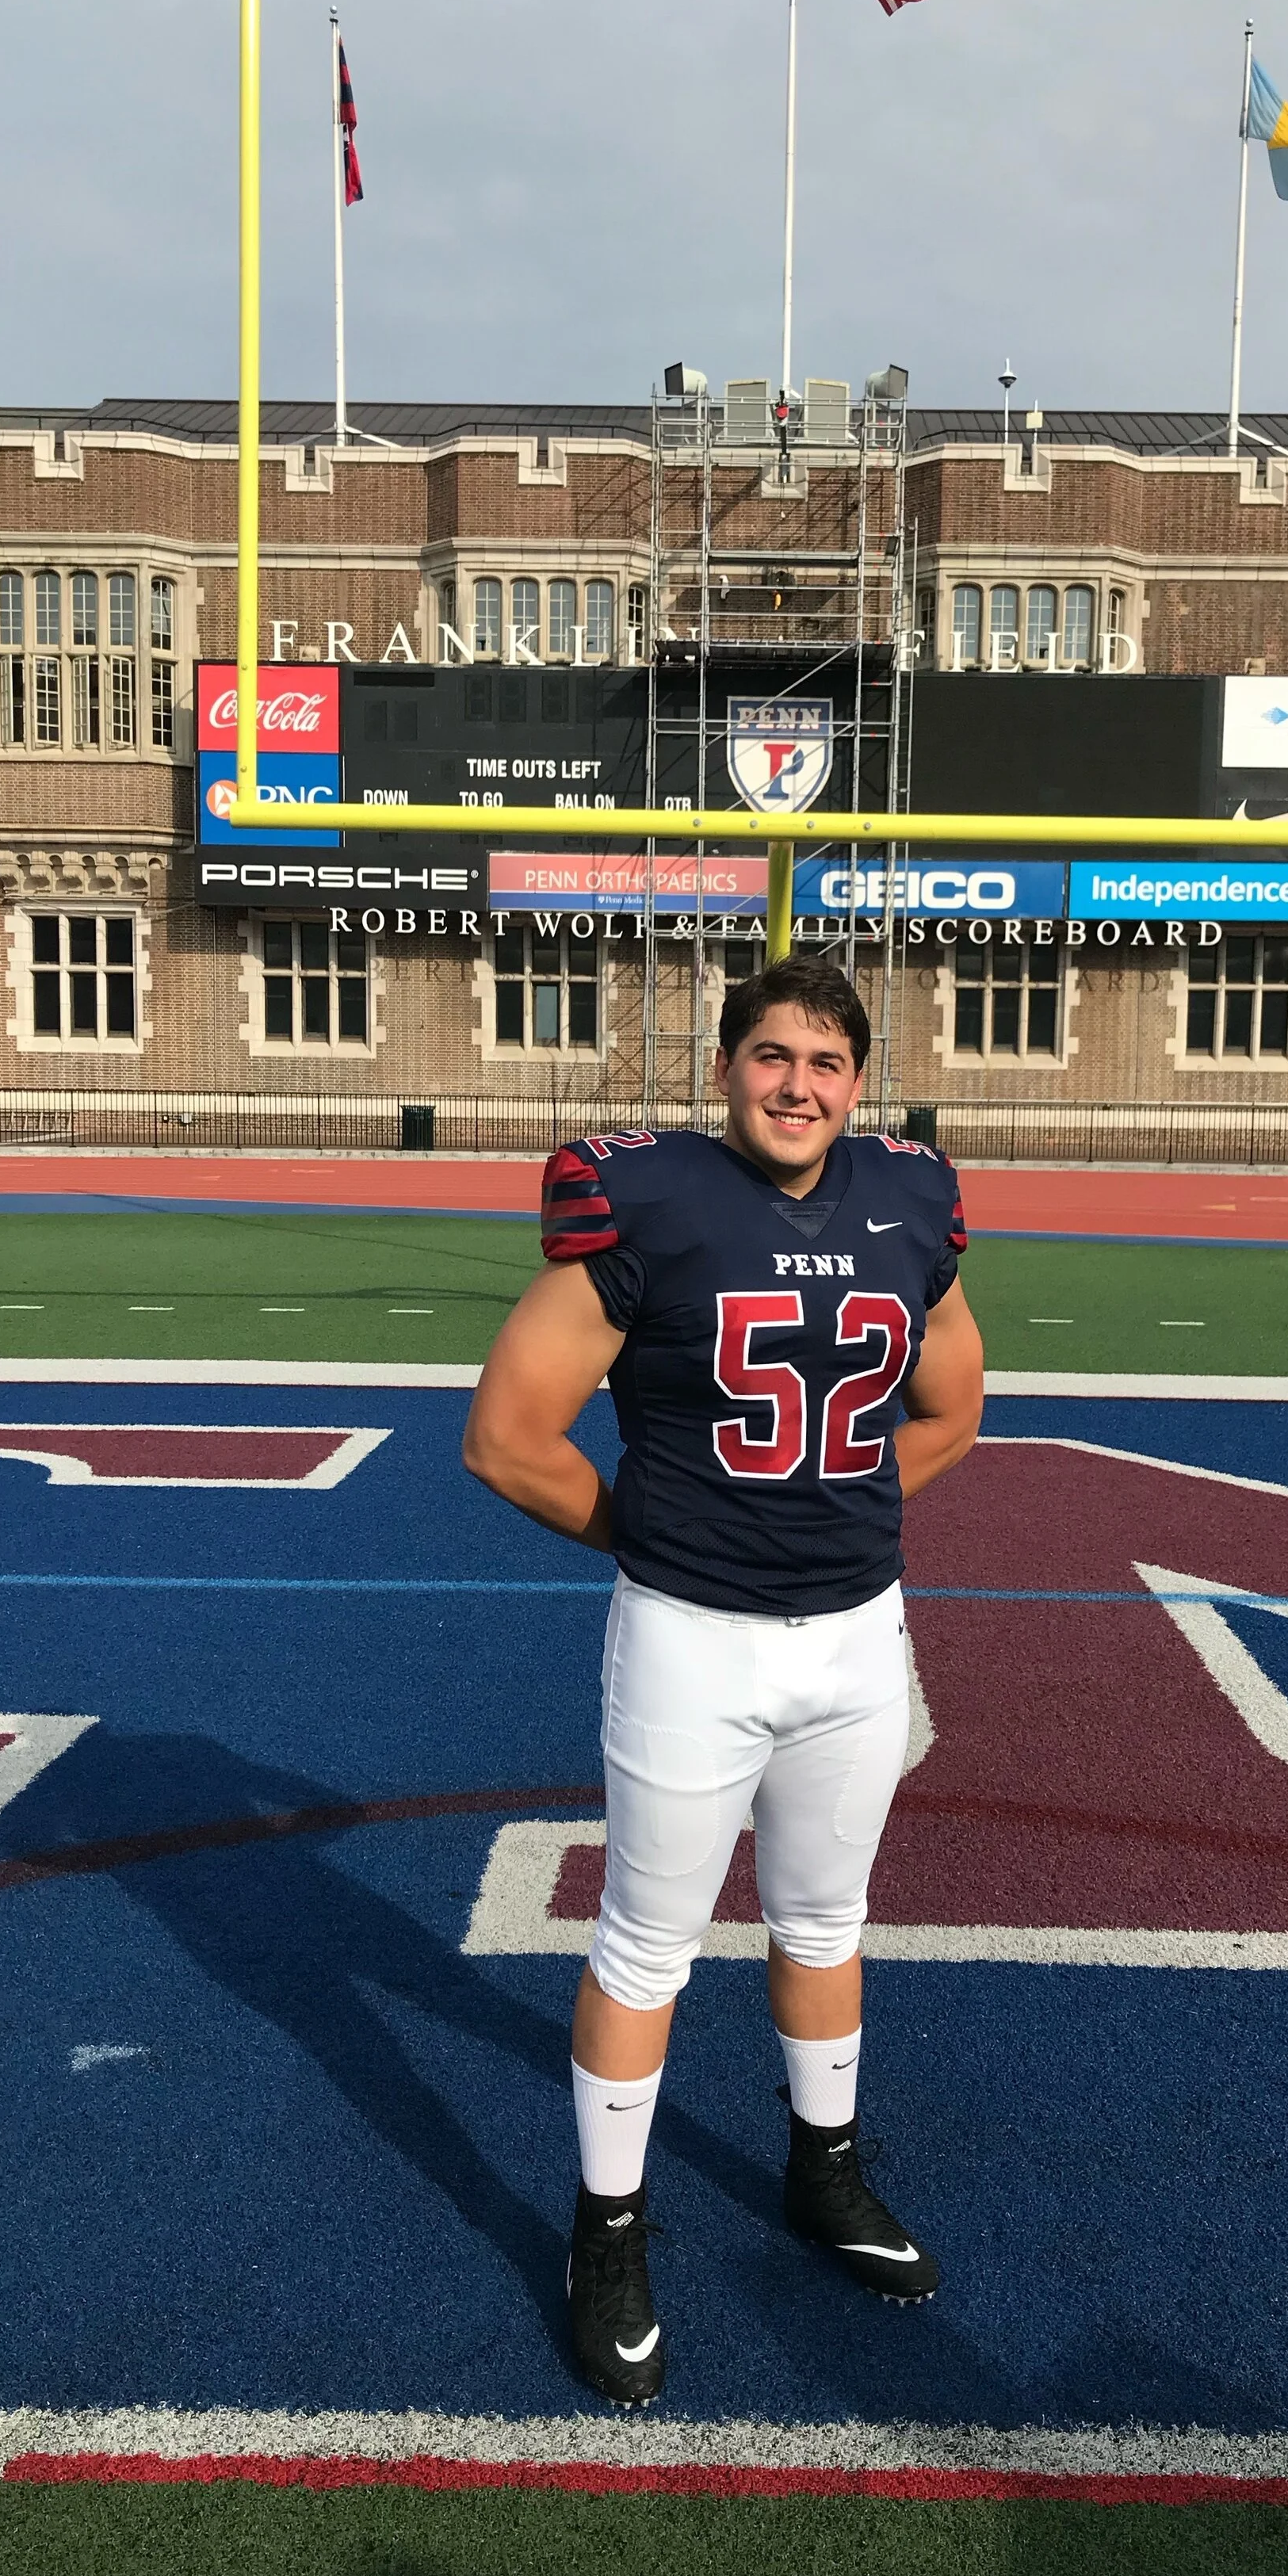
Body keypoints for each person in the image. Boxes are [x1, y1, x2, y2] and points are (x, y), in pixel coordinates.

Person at [462, 953, 983, 2408]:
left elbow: (955, 1401)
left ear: (858, 1082)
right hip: (694, 1639)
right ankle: (606, 2237)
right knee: (648, 1942)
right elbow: (507, 1437)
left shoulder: (911, 1201)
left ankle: (826, 2175)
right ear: (725, 1067)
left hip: (853, 1635)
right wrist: (670, 1537)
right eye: (770, 1057)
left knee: (826, 1920)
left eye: (824, 1061)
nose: (796, 1086)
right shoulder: (649, 1202)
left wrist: (846, 1511)